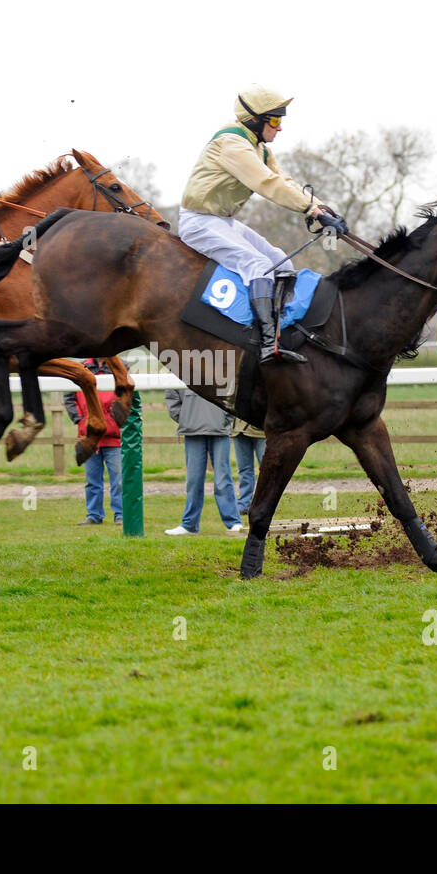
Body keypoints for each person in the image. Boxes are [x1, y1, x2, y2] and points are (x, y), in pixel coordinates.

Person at [179, 84, 347, 365]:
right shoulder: (232, 144)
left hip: (223, 221)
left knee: (281, 263)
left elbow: (286, 182)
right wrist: (310, 210)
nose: (279, 128)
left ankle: (283, 331)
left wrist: (322, 208)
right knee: (258, 266)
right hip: (199, 222)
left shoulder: (259, 149)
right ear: (255, 120)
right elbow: (266, 183)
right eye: (275, 120)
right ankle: (267, 344)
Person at [164, 388, 242, 535]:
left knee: (222, 478)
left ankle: (234, 522)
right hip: (192, 431)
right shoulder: (182, 369)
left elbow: (233, 396)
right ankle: (189, 525)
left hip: (219, 430)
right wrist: (187, 418)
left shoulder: (220, 367)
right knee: (193, 480)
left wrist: (225, 419)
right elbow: (172, 395)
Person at [62, 358, 123, 526]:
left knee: (118, 480)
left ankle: (120, 514)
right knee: (92, 480)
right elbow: (69, 396)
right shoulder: (80, 367)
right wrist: (80, 420)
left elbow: (126, 394)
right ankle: (94, 515)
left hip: (114, 437)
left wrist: (117, 420)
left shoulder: (120, 366)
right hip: (88, 436)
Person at [230, 419, 265, 516]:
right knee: (244, 469)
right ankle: (244, 504)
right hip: (239, 430)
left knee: (267, 471)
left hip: (261, 431)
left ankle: (266, 504)